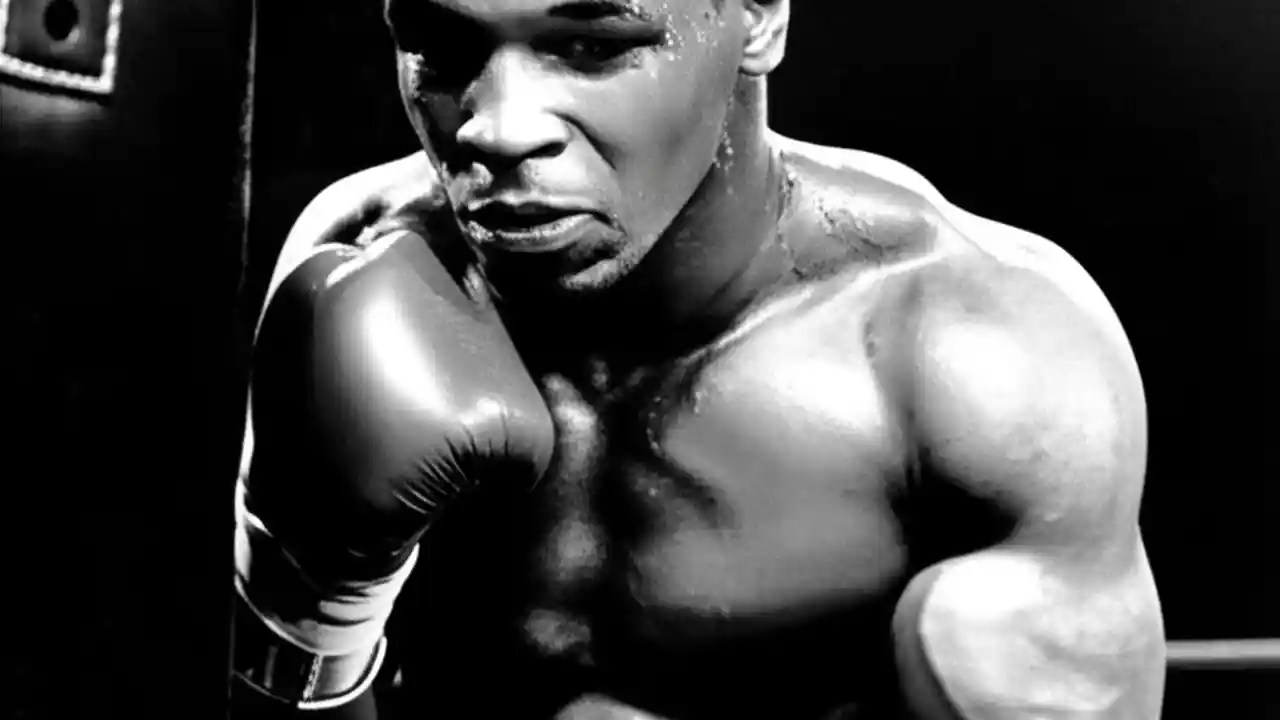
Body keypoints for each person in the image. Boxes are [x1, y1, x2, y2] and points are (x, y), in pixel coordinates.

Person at [231, 1, 1166, 717]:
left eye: (595, 44)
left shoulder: (976, 349)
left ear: (758, 17)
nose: (496, 128)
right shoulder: (363, 250)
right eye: (443, 46)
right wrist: (323, 598)